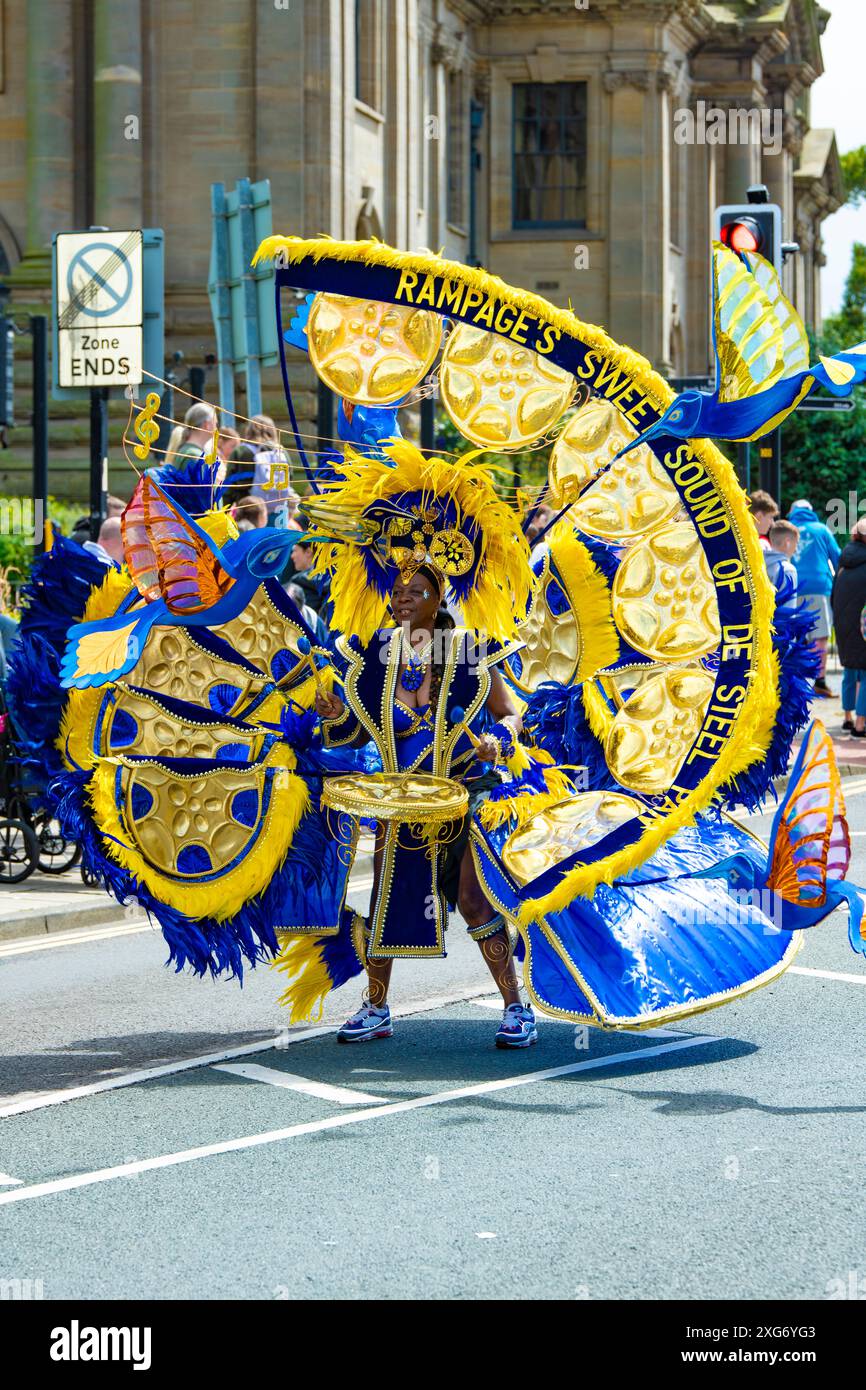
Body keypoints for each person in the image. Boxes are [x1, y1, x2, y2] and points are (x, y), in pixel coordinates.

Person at [314, 561, 536, 1046]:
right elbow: (353, 730)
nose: (404, 598)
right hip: (403, 799)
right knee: (383, 902)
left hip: (466, 792)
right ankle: (376, 1006)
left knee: (477, 903)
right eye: (397, 591)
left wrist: (498, 739)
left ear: (439, 600)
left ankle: (516, 1007)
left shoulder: (466, 652)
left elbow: (511, 714)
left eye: (416, 591)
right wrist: (333, 713)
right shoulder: (373, 657)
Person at [788, 498, 841, 698]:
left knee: (796, 634)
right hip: (819, 586)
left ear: (793, 512)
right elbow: (837, 558)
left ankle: (798, 681)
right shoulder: (822, 529)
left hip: (792, 586)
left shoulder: (786, 528)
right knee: (820, 635)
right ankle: (819, 681)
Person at [831, 517, 866, 737]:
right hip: (862, 627)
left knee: (850, 671)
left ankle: (847, 718)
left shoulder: (844, 561)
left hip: (843, 625)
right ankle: (861, 724)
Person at [248, 414, 292, 527]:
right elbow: (290, 478)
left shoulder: (244, 451)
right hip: (279, 509)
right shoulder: (282, 452)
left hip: (251, 512)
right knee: (278, 541)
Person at [764, 518, 799, 612]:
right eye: (796, 544)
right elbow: (787, 612)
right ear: (787, 542)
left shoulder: (758, 565)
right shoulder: (787, 570)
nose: (796, 550)